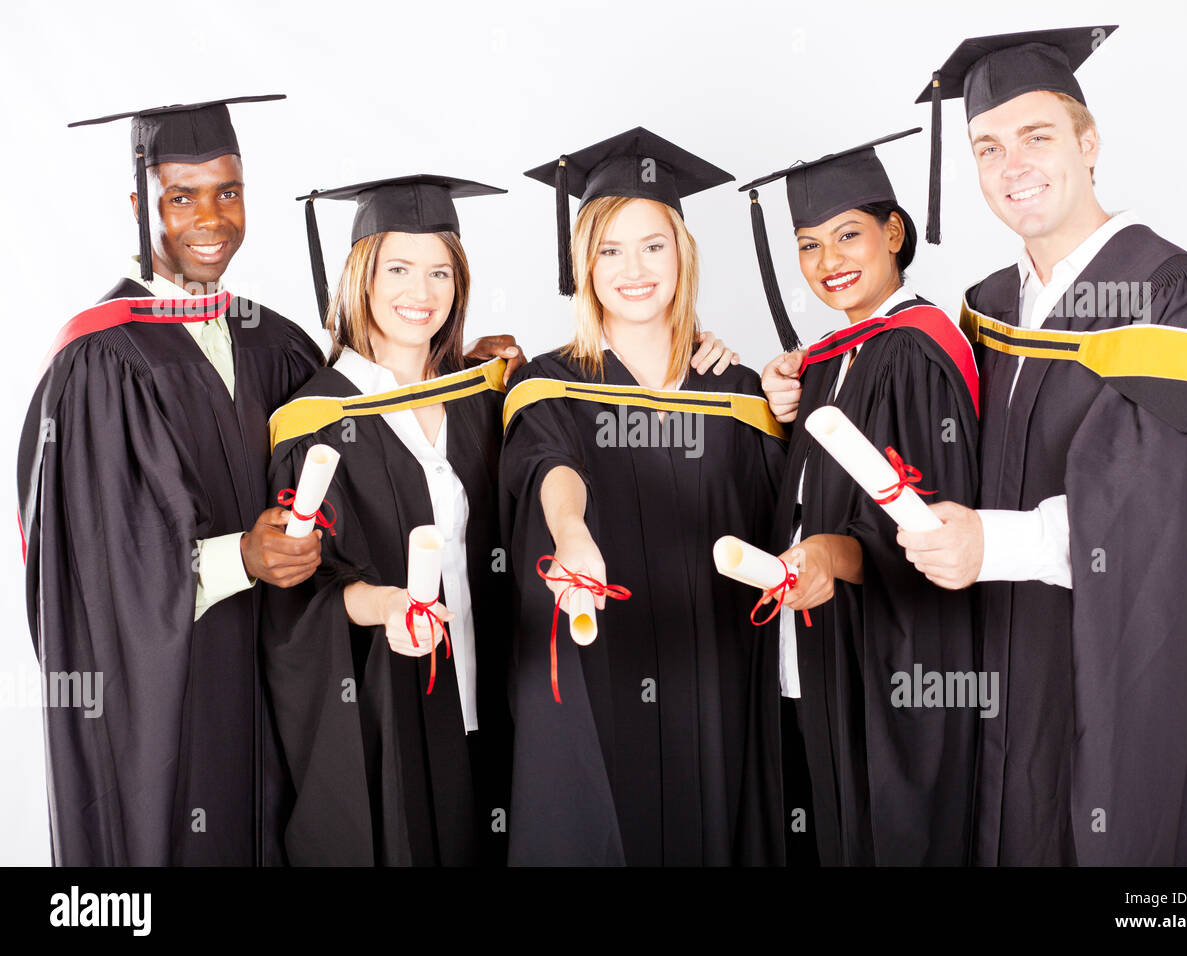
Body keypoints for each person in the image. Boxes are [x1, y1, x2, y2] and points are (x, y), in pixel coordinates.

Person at [899, 26, 1187, 865]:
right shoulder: (984, 307)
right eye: (987, 147)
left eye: (1036, 136)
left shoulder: (1174, 291)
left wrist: (994, 542)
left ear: (1088, 144)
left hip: (1118, 657)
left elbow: (1158, 497)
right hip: (993, 662)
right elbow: (930, 444)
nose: (1011, 164)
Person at [16, 96, 325, 865]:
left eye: (228, 192)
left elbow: (363, 437)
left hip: (276, 686)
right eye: (181, 196)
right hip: (169, 703)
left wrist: (463, 367)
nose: (210, 218)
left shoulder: (273, 340)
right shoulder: (101, 360)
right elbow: (95, 572)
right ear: (138, 205)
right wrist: (241, 559)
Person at [503, 127, 786, 865]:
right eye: (610, 250)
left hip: (716, 676)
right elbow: (547, 464)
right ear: (583, 266)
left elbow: (782, 513)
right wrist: (571, 532)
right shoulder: (549, 383)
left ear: (681, 254)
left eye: (653, 246)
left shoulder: (737, 391)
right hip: (607, 672)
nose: (634, 270)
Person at [262, 174, 519, 865]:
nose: (422, 292)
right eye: (398, 269)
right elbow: (295, 593)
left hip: (499, 702)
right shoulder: (312, 420)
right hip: (391, 709)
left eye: (440, 271)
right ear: (361, 277)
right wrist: (383, 604)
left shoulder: (482, 397)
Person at [741, 129, 980, 865]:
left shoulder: (913, 349)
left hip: (895, 661)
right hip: (817, 654)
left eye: (847, 235)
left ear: (894, 232)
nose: (828, 262)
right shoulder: (832, 357)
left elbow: (928, 522)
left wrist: (827, 556)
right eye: (808, 246)